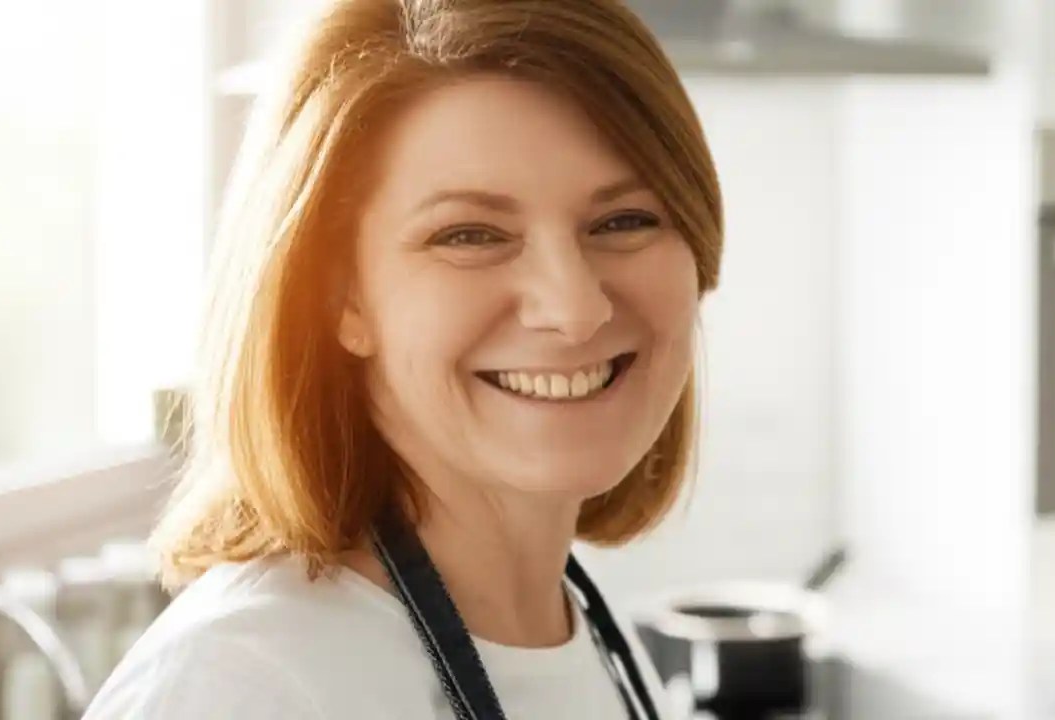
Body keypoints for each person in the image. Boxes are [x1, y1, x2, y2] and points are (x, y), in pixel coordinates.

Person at [84, 0, 722, 717]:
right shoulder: (242, 685)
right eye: (471, 235)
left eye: (624, 221)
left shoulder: (588, 639)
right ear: (338, 299)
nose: (574, 309)